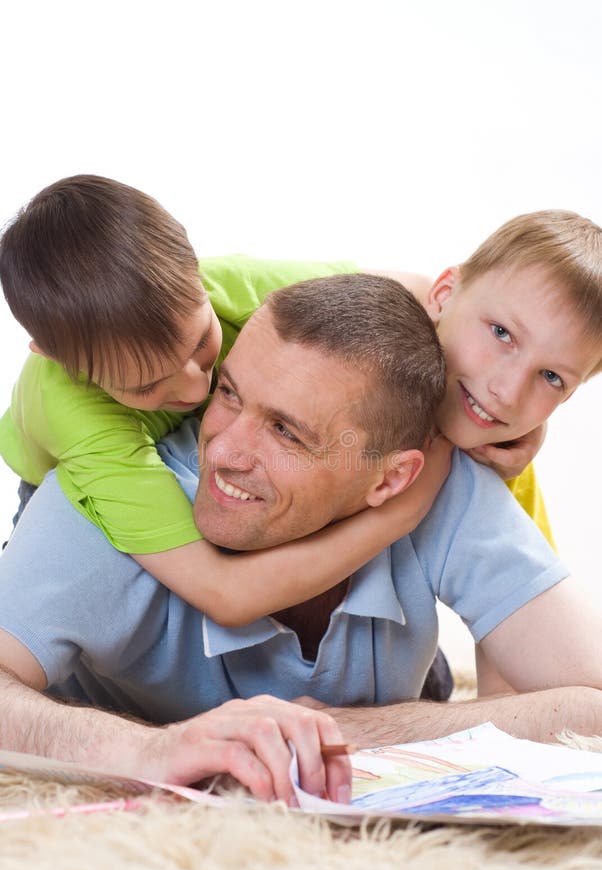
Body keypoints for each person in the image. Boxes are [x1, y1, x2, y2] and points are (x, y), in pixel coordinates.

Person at [0, 274, 601, 803]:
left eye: (287, 432)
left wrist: (353, 730)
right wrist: (148, 751)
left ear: (392, 479)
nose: (226, 452)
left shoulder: (446, 484)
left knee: (440, 685)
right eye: (228, 393)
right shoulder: (106, 503)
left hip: (381, 670)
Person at [0, 175, 449, 632]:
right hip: (77, 479)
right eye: (146, 385)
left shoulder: (228, 284)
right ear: (56, 358)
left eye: (200, 343)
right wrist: (401, 513)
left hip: (220, 439)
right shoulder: (76, 416)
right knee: (132, 611)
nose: (196, 389)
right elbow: (225, 594)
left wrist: (503, 419)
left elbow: (427, 297)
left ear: (194, 268)